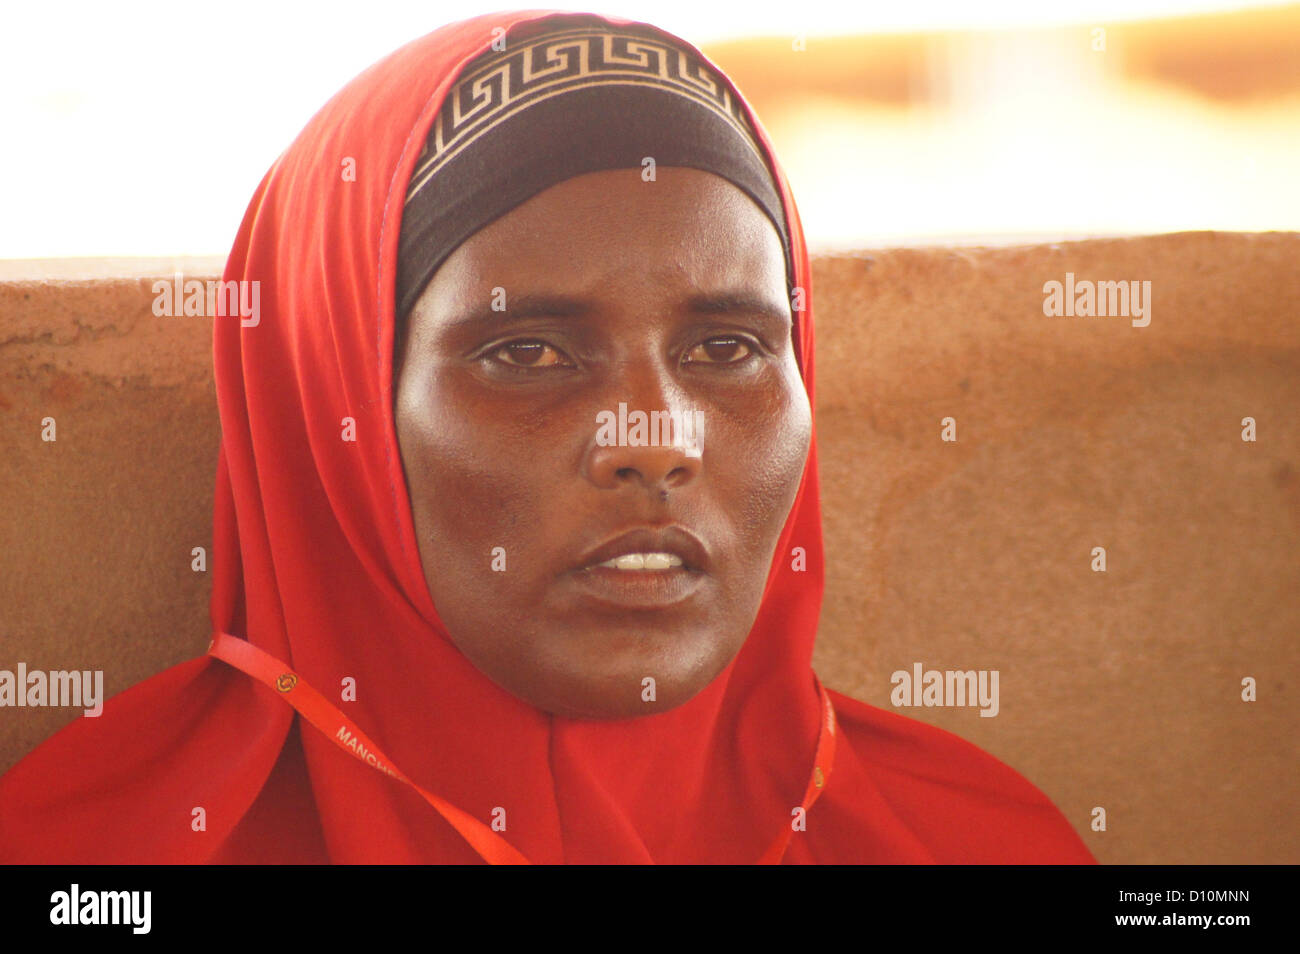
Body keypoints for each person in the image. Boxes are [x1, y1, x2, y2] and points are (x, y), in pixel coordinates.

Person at [0, 9, 1094, 864]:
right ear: (329, 408)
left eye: (726, 348)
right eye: (525, 353)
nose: (653, 440)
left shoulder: (967, 845)